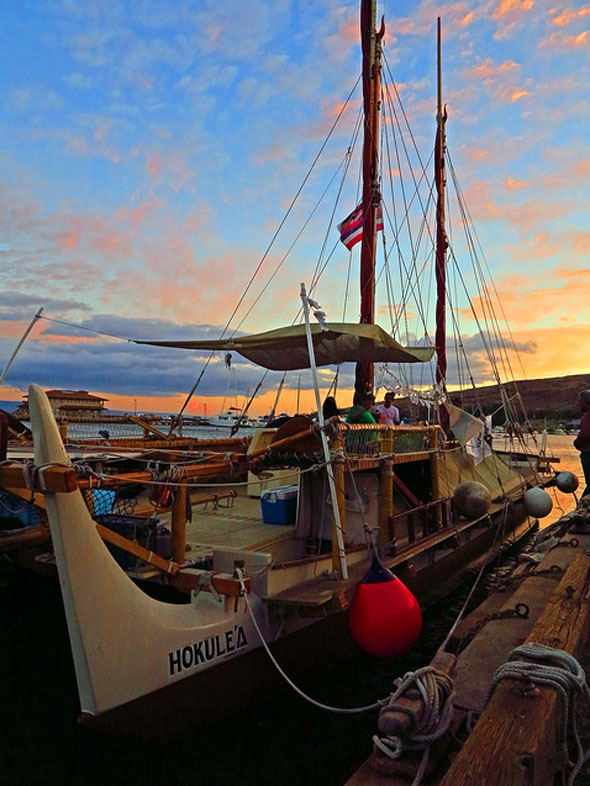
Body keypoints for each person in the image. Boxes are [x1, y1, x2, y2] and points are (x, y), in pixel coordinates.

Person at [573, 390, 590, 497]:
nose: (578, 404)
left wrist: (577, 442)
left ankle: (583, 506)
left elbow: (586, 434)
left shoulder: (588, 416)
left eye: (580, 402)